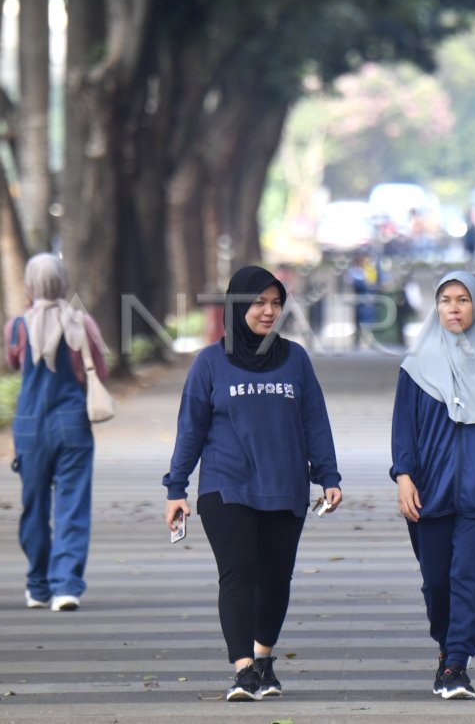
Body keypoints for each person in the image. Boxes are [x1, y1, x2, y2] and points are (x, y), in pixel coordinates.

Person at [163, 266, 343, 702]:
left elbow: (314, 420)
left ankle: (263, 658)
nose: (268, 311)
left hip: (285, 484)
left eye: (276, 303)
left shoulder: (296, 358)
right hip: (227, 487)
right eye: (259, 303)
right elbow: (191, 429)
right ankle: (243, 669)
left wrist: (328, 475)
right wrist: (176, 488)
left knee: (276, 578)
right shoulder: (210, 362)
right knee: (239, 573)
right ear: (238, 305)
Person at [390, 270, 475, 700]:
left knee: (470, 578)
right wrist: (404, 478)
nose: (454, 307)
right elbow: (403, 431)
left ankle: (456, 663)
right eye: (446, 299)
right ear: (436, 306)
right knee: (436, 582)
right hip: (430, 490)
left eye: (463, 299)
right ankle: (446, 646)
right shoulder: (415, 367)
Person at [4, 253, 108, 612]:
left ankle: (37, 585)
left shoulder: (17, 326)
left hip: (29, 426)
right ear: (63, 281)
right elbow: (101, 372)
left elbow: (14, 362)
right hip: (72, 422)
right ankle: (65, 585)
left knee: (34, 506)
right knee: (72, 504)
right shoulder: (81, 323)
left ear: (30, 285)